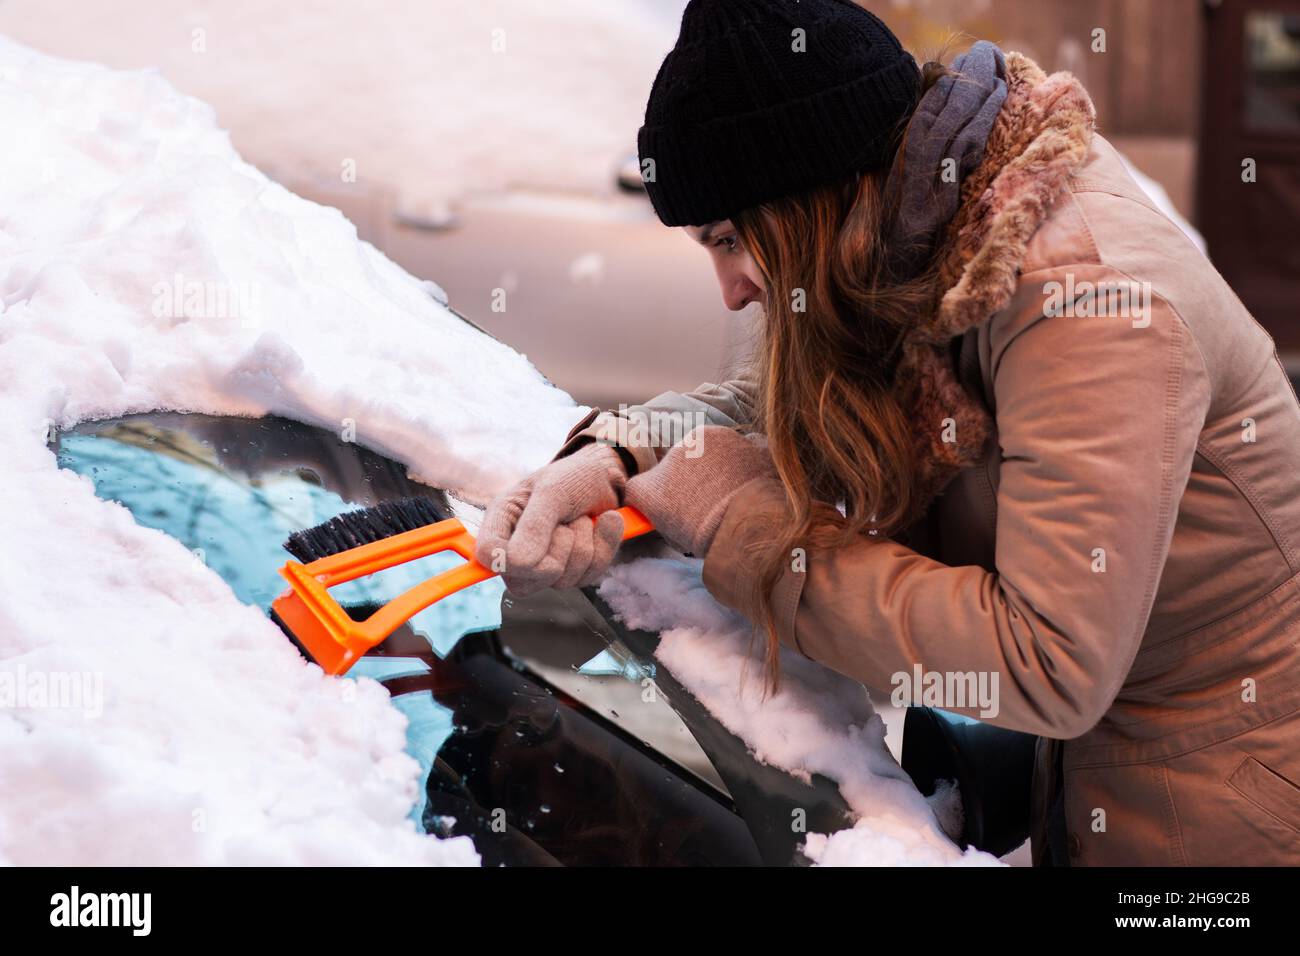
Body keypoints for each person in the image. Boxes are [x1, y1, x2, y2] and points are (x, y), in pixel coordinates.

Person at [476, 0, 1300, 866]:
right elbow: (765, 404)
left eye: (729, 239)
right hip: (1104, 782)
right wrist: (617, 454)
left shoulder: (1085, 305)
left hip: (1227, 823)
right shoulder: (914, 236)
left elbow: (1046, 663)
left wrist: (741, 529)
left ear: (810, 198)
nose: (729, 289)